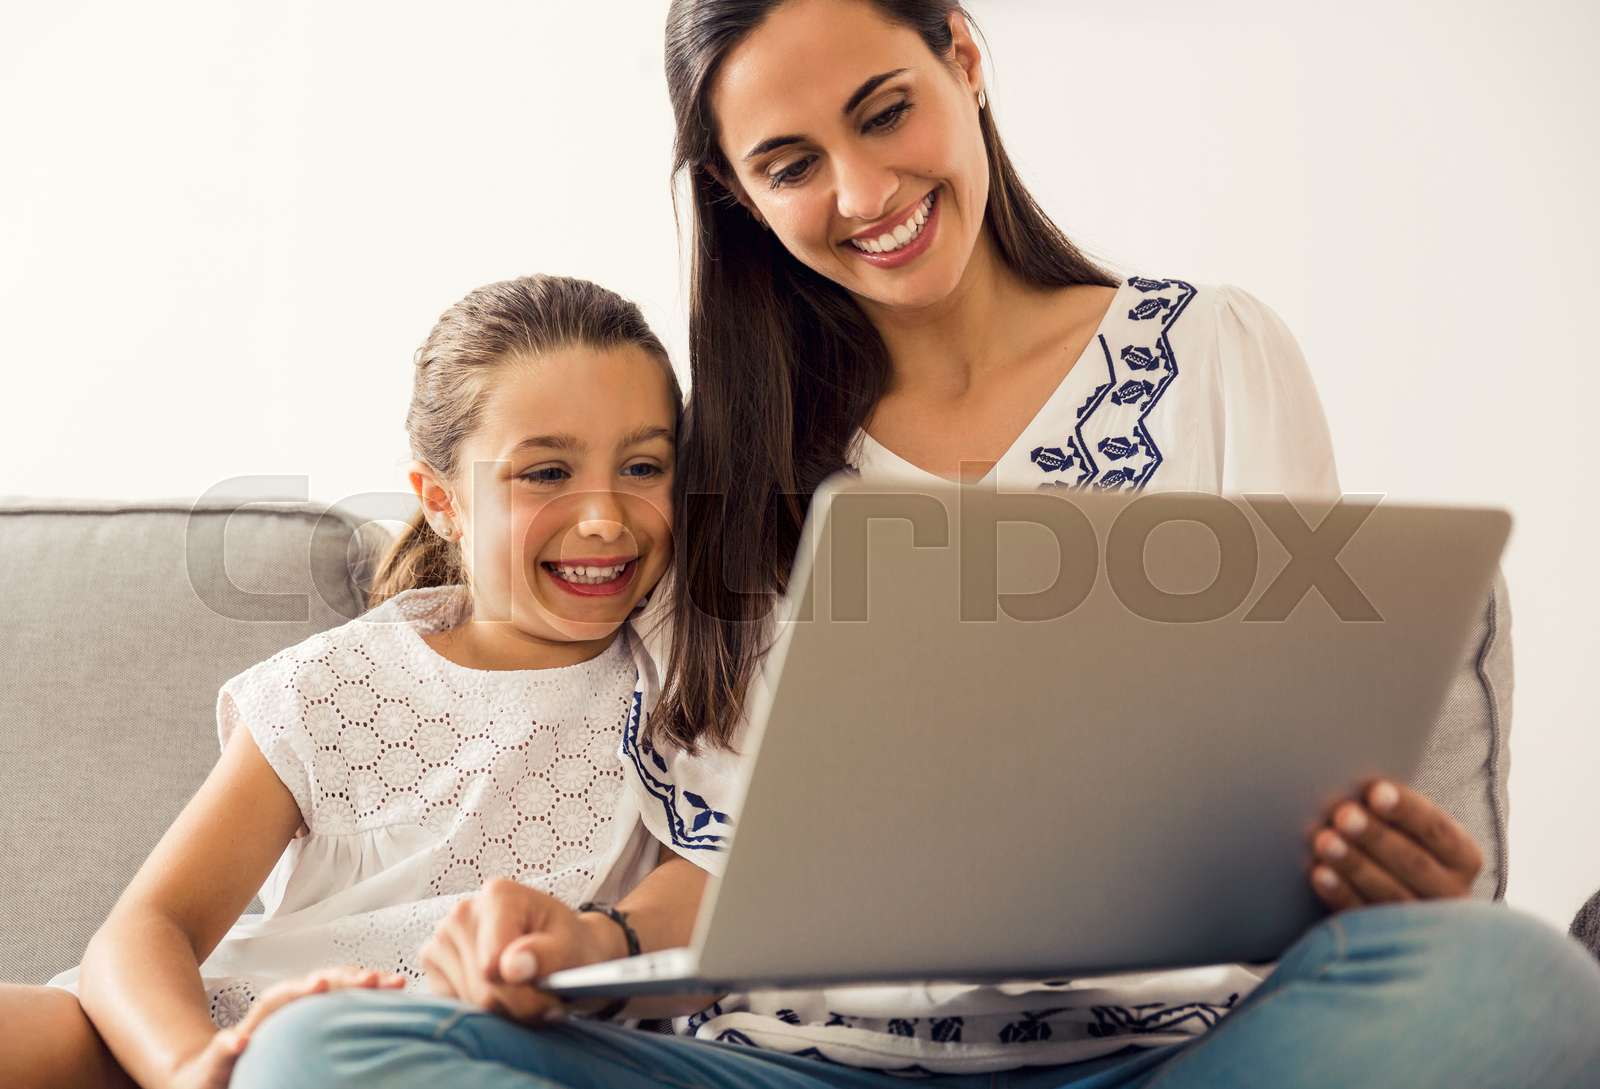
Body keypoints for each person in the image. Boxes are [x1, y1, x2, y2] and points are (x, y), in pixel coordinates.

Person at [231, 2, 1600, 1087]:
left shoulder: (1214, 356)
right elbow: (735, 857)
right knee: (321, 1054)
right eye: (790, 165)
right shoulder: (717, 462)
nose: (864, 189)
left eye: (885, 111)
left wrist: (1380, 877)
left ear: (963, 60)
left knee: (1513, 982)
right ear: (738, 194)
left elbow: (1293, 768)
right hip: (795, 1063)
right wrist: (590, 936)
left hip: (1164, 1053)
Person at [0, 274, 685, 1089]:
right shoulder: (332, 685)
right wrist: (188, 1064)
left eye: (642, 465)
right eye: (545, 473)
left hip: (422, 1050)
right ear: (442, 501)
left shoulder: (690, 682)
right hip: (229, 1030)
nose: (604, 516)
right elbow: (147, 927)